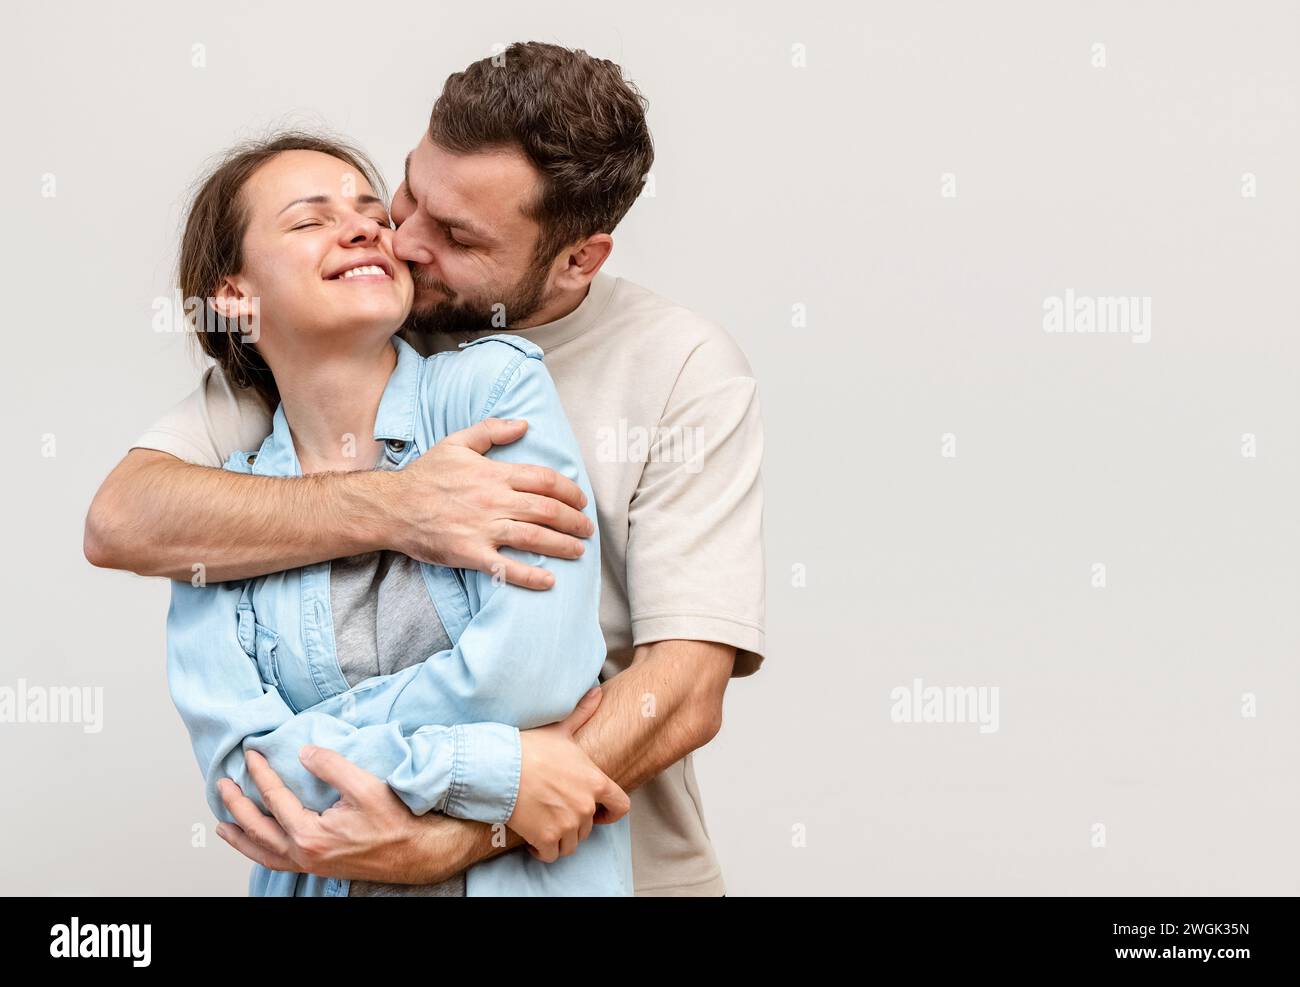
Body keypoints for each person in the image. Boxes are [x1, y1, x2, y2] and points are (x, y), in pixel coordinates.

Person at [86, 42, 765, 897]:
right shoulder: (355, 321)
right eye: (410, 190)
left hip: (609, 867)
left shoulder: (677, 369)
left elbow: (686, 688)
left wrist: (458, 831)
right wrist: (401, 506)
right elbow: (126, 520)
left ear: (577, 260)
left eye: (455, 234)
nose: (399, 235)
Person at [163, 133, 632, 896]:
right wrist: (500, 766)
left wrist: (316, 738)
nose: (364, 229)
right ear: (235, 296)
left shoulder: (493, 390)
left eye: (371, 211)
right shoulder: (220, 516)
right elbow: (244, 786)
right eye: (310, 220)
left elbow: (533, 674)